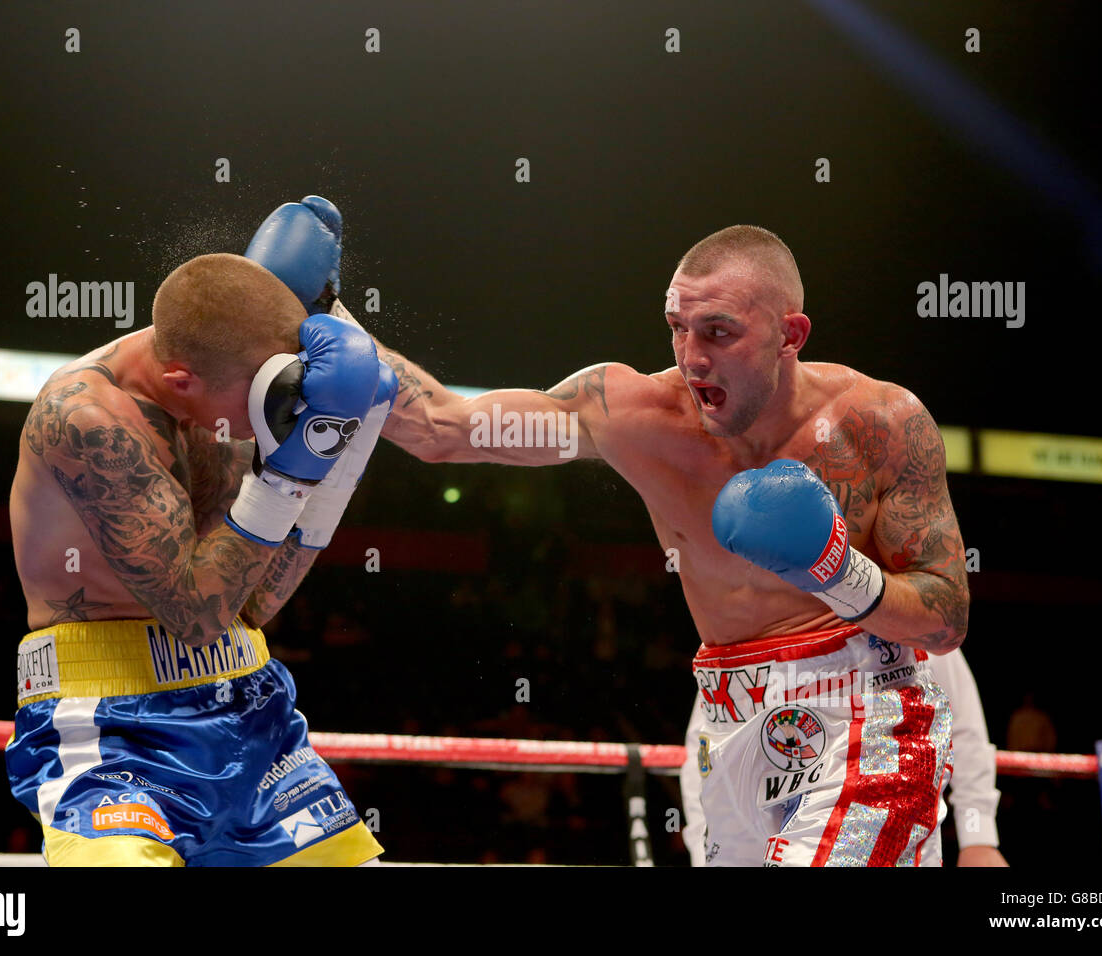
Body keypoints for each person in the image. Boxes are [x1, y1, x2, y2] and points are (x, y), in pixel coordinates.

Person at [365, 225, 970, 865]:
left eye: (717, 331)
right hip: (724, 715)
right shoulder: (633, 416)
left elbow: (947, 617)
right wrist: (326, 314)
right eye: (677, 327)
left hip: (862, 704)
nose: (691, 357)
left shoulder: (881, 423)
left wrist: (835, 570)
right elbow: (438, 429)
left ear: (790, 336)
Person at [6, 197, 394, 866]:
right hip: (110, 723)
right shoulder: (89, 419)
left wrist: (338, 461)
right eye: (264, 396)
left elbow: (253, 605)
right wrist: (291, 476)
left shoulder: (233, 373)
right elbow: (195, 615)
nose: (278, 411)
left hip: (247, 701)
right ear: (180, 381)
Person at [681, 647, 1008, 865]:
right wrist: (703, 848)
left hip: (877, 818)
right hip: (758, 825)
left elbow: (961, 724)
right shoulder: (745, 620)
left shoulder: (896, 604)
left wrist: (977, 835)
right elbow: (707, 750)